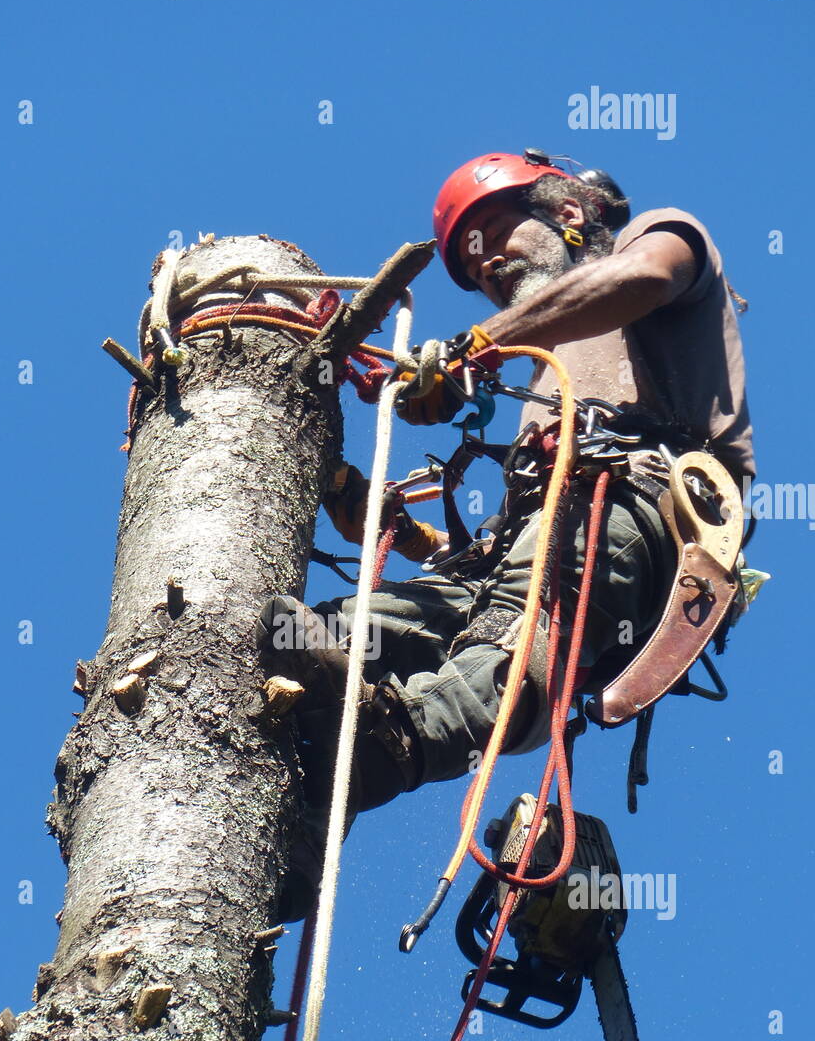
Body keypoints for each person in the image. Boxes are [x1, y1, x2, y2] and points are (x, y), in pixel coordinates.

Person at [258, 149, 753, 921]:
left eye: (492, 231)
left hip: (628, 505)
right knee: (322, 634)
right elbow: (492, 539)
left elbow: (642, 278)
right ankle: (296, 816)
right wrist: (394, 519)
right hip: (523, 533)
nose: (484, 260)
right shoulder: (546, 355)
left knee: (513, 638)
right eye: (467, 259)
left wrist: (473, 350)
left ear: (566, 213)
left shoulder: (654, 241)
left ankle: (387, 748)